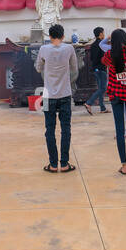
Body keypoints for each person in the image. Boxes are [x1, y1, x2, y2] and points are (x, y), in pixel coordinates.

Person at [36, 22, 79, 172]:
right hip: (65, 93)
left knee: (49, 128)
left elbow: (38, 68)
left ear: (49, 36)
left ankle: (53, 164)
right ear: (63, 36)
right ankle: (65, 163)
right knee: (65, 128)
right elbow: (74, 67)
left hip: (48, 94)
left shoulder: (43, 49)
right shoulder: (69, 48)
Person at [103, 29, 126, 174]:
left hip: (116, 94)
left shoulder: (109, 55)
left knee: (119, 130)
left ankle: (124, 166)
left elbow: (104, 62)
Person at [83, 26, 110, 115]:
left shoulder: (93, 45)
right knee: (103, 89)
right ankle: (88, 103)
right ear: (101, 34)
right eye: (103, 33)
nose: (104, 34)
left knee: (100, 88)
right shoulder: (101, 45)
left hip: (95, 69)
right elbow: (104, 58)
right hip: (101, 69)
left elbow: (91, 58)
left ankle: (102, 107)